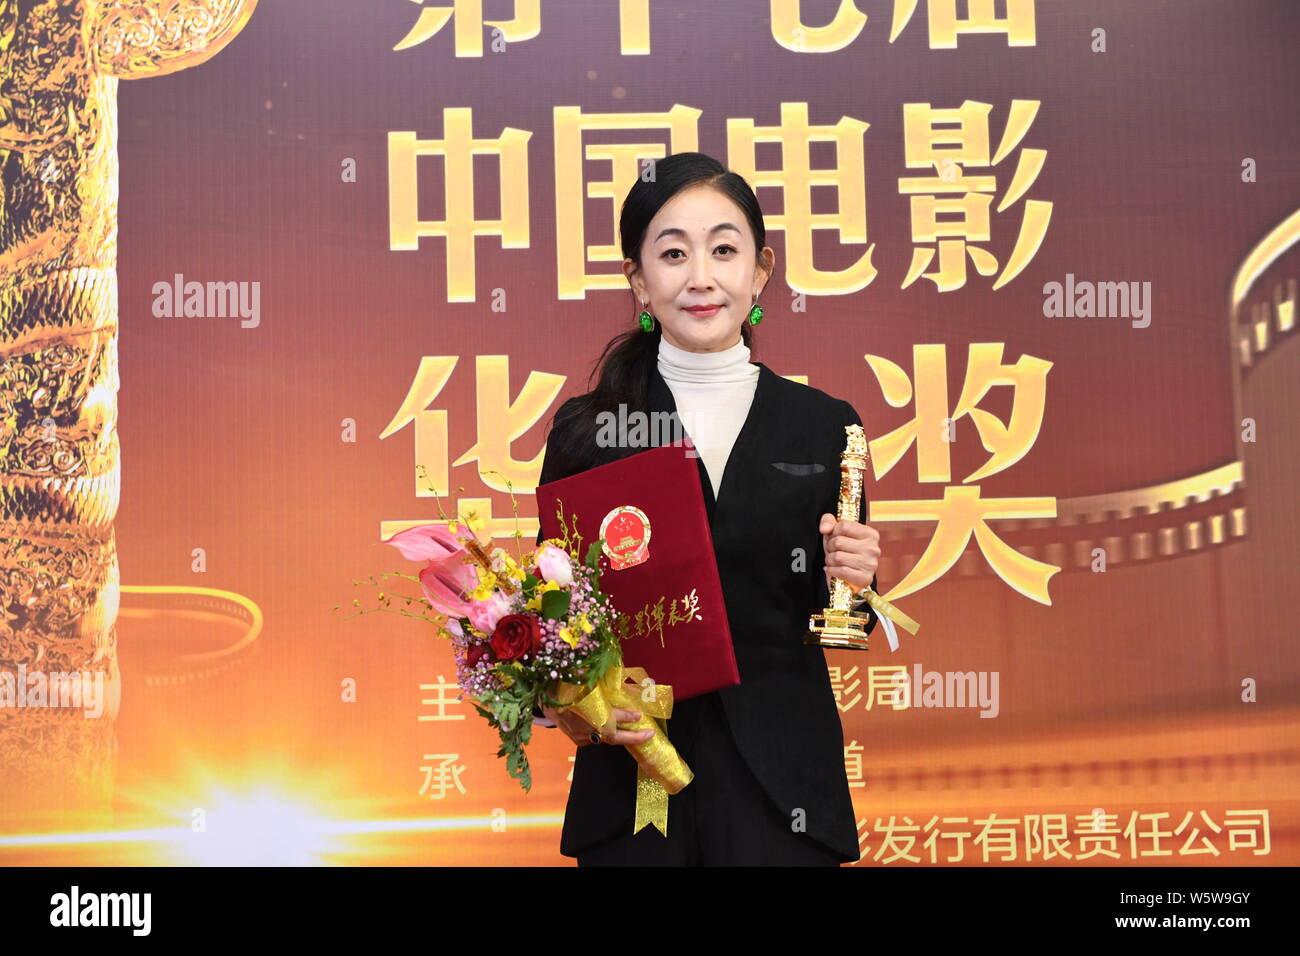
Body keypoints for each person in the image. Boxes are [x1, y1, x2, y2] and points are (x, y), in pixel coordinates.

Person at [533, 152, 881, 866]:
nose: (700, 276)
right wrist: (584, 711)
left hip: (783, 793)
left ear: (759, 271)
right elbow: (554, 622)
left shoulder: (823, 426)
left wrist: (856, 578)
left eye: (724, 249)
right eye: (672, 253)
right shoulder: (589, 428)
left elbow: (836, 614)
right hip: (637, 789)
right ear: (637, 279)